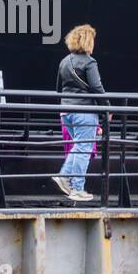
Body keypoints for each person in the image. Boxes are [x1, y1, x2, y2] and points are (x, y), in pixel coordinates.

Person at [54, 24, 106, 202]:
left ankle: (66, 177)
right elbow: (97, 88)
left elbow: (58, 89)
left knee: (78, 146)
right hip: (84, 111)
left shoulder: (64, 61)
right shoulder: (89, 62)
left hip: (65, 111)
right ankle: (76, 187)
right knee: (84, 148)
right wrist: (107, 107)